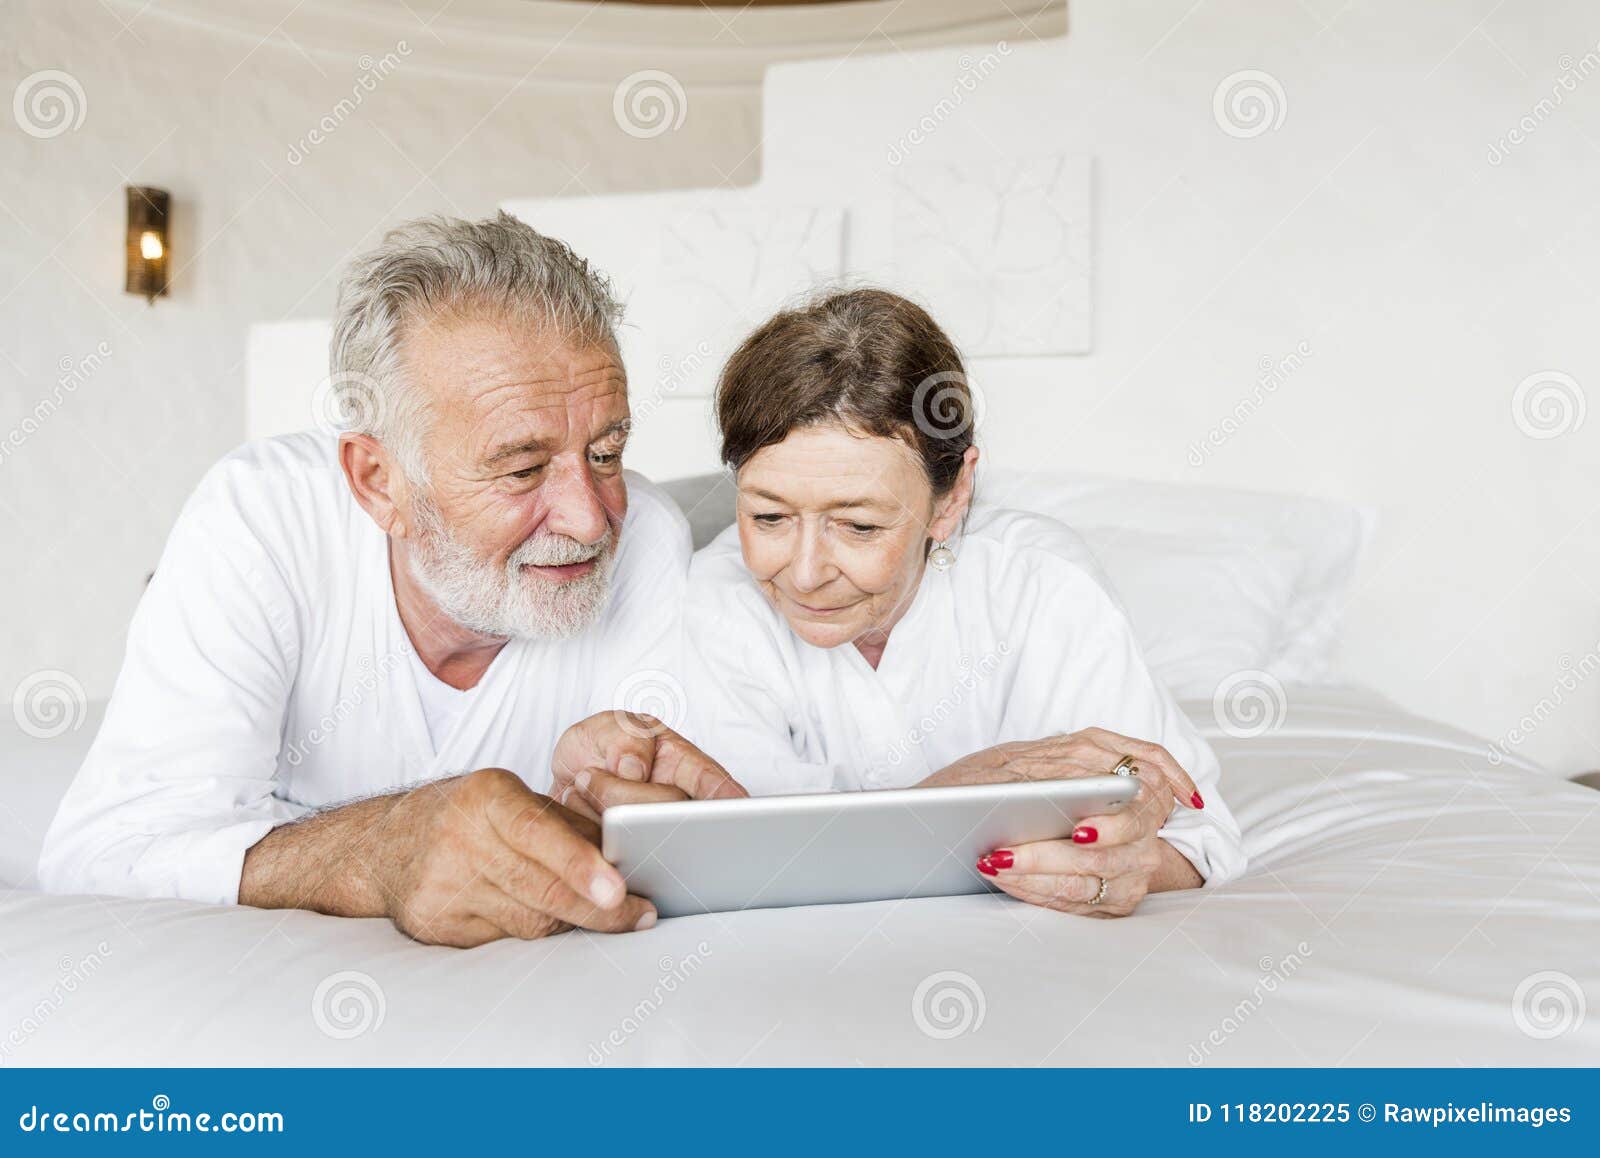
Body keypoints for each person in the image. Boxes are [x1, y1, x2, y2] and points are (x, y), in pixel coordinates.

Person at [37, 213, 738, 947]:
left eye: (605, 453)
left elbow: (656, 859)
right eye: (524, 469)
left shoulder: (649, 537)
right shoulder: (260, 519)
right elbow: (101, 856)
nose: (592, 523)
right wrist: (384, 850)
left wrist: (639, 821)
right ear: (378, 482)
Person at [569, 288, 1247, 917]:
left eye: (859, 526)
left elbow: (1202, 839)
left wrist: (1134, 864)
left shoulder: (1041, 588)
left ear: (951, 499)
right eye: (769, 517)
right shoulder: (715, 603)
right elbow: (761, 863)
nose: (804, 574)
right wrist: (972, 789)